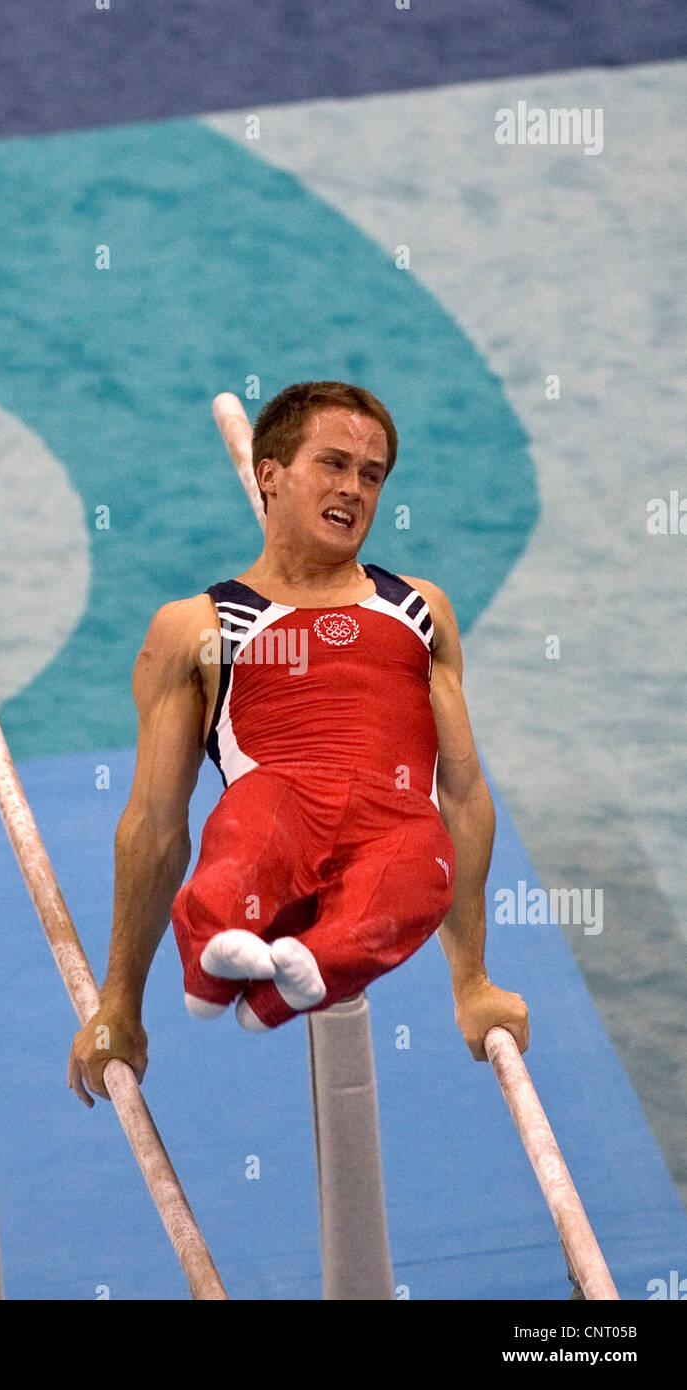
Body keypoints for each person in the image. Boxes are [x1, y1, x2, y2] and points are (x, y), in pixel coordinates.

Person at [68, 381, 528, 1105]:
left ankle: (302, 970)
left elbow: (464, 796)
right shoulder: (197, 627)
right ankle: (214, 959)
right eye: (334, 464)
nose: (355, 489)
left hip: (396, 819)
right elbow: (155, 826)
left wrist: (471, 982)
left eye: (372, 475)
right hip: (281, 803)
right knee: (248, 845)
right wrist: (119, 1002)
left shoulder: (418, 611)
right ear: (270, 475)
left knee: (416, 870)